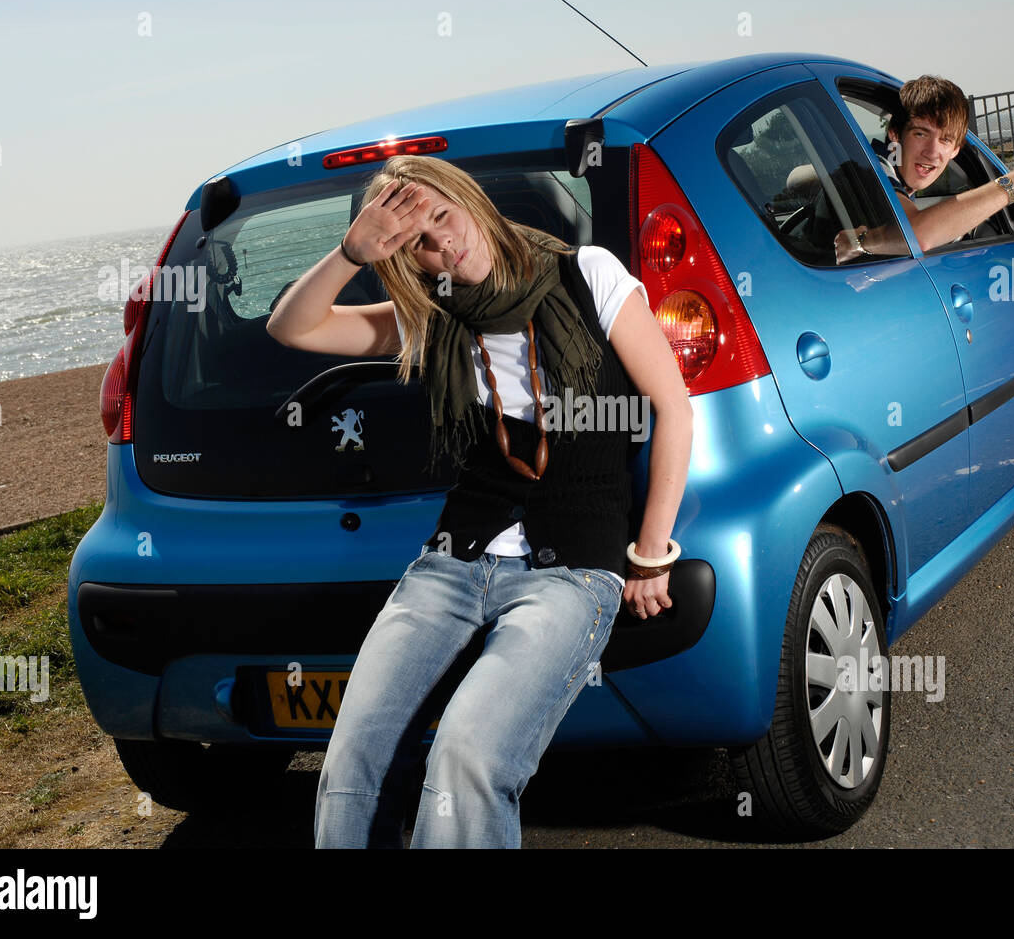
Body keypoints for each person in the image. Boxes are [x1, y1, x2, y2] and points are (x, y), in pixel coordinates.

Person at [265, 154, 693, 848]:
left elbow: (673, 408)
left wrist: (652, 553)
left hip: (571, 571)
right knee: (353, 758)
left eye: (441, 214)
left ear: (468, 198)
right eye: (416, 241)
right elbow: (293, 327)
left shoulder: (587, 274)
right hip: (451, 566)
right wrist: (351, 252)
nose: (441, 241)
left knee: (468, 754)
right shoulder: (431, 319)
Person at [834, 75, 1014, 262]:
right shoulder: (872, 167)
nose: (932, 152)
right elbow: (916, 234)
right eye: (921, 134)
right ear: (895, 134)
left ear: (955, 150)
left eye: (945, 140)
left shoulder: (893, 177)